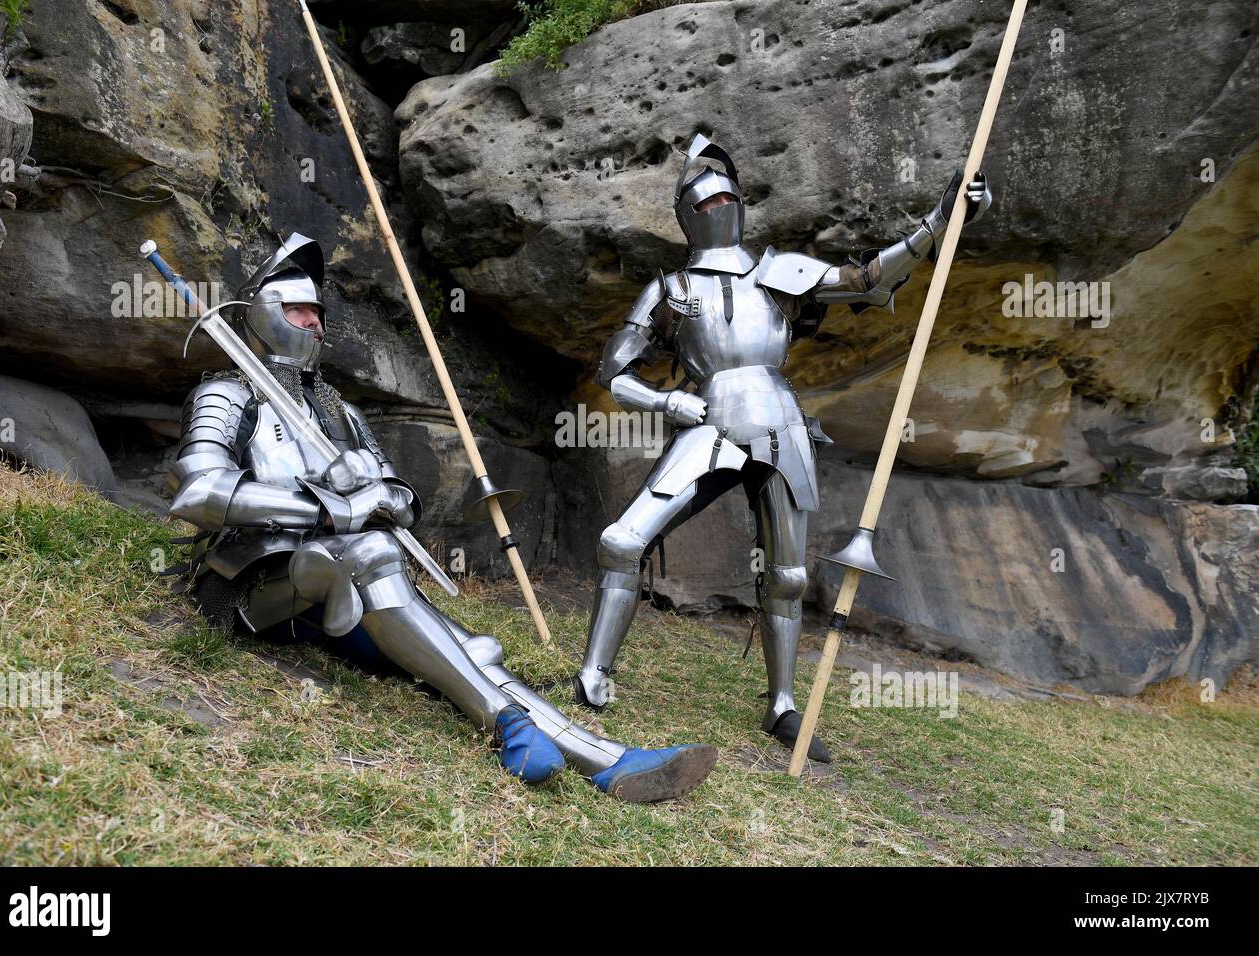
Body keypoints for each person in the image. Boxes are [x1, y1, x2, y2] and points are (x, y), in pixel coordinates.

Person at [168, 233, 717, 802]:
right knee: (376, 554)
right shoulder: (228, 394)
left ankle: (610, 762)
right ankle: (506, 725)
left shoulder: (338, 410)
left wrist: (382, 493)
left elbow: (400, 497)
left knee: (471, 650)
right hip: (255, 583)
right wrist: (332, 506)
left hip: (342, 578)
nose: (315, 324)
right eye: (298, 310)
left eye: (319, 312)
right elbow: (198, 490)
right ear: (262, 312)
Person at [574, 135, 993, 762]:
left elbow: (869, 277)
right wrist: (666, 401)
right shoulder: (669, 289)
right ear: (686, 215)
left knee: (788, 577)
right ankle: (593, 675)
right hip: (708, 421)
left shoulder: (778, 272)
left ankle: (783, 706)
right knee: (622, 540)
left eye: (724, 196)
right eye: (703, 198)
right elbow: (615, 372)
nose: (716, 206)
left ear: (740, 203)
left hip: (780, 424)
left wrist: (942, 217)